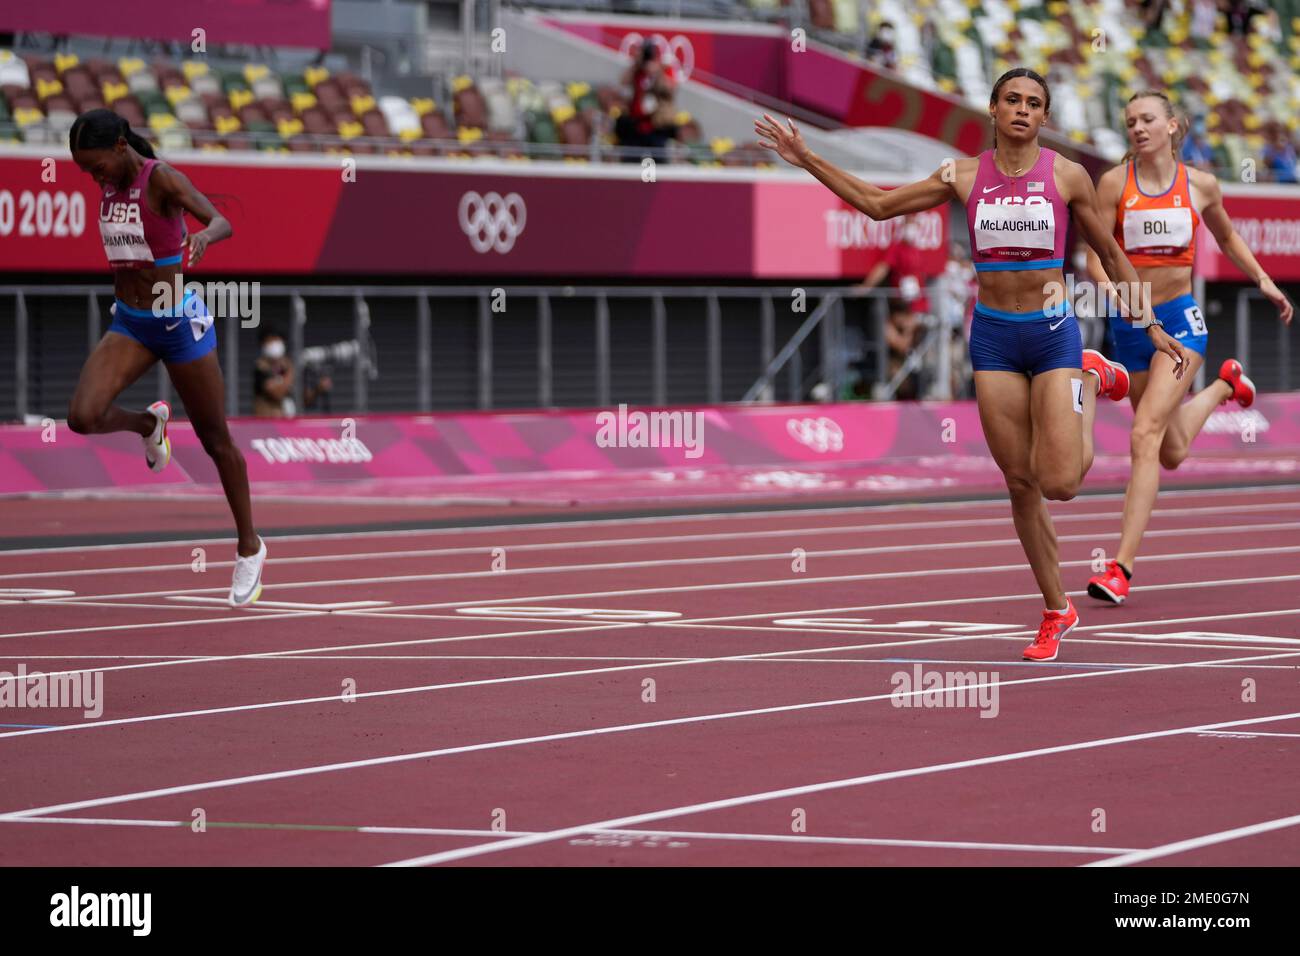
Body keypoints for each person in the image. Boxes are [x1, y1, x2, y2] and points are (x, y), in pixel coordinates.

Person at [756, 68, 1187, 661]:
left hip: (1053, 332)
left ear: (1044, 116)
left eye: (1034, 104)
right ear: (992, 108)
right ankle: (1056, 609)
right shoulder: (961, 175)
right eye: (1012, 100)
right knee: (1019, 483)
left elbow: (1110, 252)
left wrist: (1151, 325)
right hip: (992, 339)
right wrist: (806, 157)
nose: (1022, 110)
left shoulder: (1067, 176)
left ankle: (1090, 374)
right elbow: (880, 206)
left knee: (1061, 483)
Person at [1083, 91, 1293, 605]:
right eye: (1130, 120)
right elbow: (1093, 255)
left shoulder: (1200, 186)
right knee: (1170, 451)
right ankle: (1227, 384)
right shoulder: (1113, 184)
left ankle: (1120, 569)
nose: (1137, 127)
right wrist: (1115, 294)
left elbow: (1228, 238)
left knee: (1144, 434)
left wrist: (1263, 278)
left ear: (1172, 126)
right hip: (1131, 326)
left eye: (1147, 119)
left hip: (1179, 322)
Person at [67, 108, 266, 606]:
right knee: (82, 417)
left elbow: (222, 221)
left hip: (176, 321)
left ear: (118, 146)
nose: (94, 178)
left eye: (96, 167)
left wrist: (200, 237)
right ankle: (148, 427)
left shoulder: (164, 180)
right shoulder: (109, 185)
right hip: (131, 322)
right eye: (85, 171)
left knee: (215, 439)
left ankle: (250, 547)